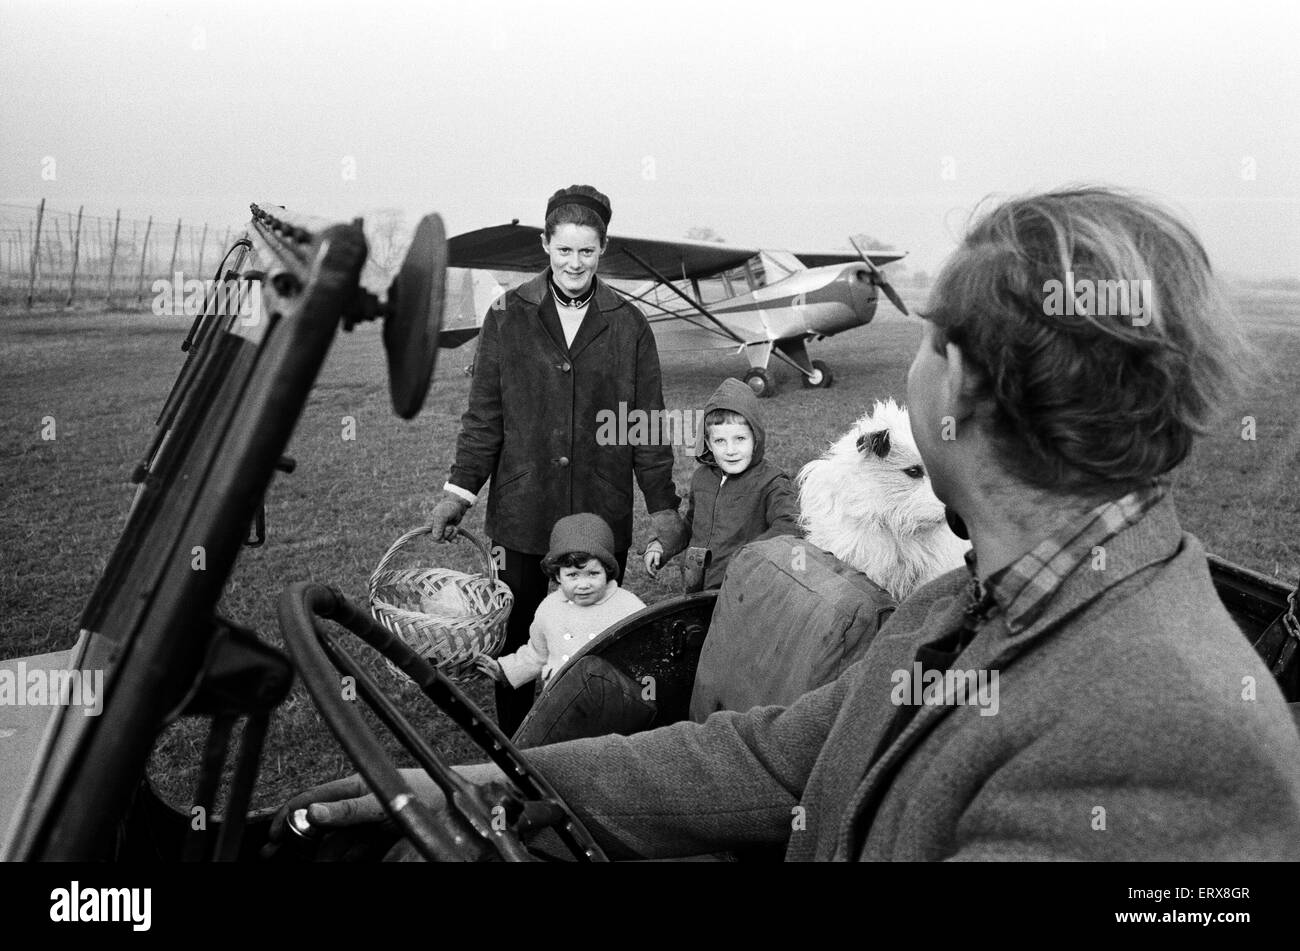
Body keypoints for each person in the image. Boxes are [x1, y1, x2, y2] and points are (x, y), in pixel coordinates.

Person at [275, 187, 1300, 860]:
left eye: (932, 335)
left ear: (973, 398)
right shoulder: (957, 601)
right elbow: (770, 761)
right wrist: (483, 785)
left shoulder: (1174, 753)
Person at [427, 185, 680, 737]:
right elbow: (484, 415)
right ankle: (516, 745)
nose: (574, 263)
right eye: (563, 250)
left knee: (596, 631)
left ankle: (585, 740)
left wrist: (663, 506)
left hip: (599, 503)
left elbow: (647, 421)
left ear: (603, 250)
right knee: (518, 631)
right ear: (545, 245)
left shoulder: (630, 323)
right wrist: (459, 492)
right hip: (523, 505)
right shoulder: (506, 313)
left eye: (586, 251)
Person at [644, 377, 800, 590]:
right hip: (698, 586)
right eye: (720, 441)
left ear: (756, 438)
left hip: (746, 589)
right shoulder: (702, 477)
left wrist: (751, 558)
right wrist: (663, 545)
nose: (730, 450)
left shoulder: (772, 482)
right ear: (707, 442)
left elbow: (789, 526)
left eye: (740, 439)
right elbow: (692, 524)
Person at [475, 514, 646, 690]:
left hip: (611, 698)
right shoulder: (549, 609)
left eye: (593, 574)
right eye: (572, 575)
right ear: (557, 575)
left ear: (607, 571)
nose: (583, 585)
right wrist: (505, 670)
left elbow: (648, 653)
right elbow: (537, 653)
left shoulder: (629, 607)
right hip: (560, 700)